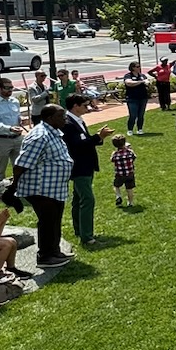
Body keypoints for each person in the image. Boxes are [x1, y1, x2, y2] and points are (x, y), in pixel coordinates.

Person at [10, 104, 74, 268]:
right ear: (50, 118)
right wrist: (13, 187)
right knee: (47, 221)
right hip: (41, 188)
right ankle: (45, 256)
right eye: (61, 116)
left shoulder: (53, 132)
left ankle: (54, 251)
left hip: (54, 188)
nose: (65, 118)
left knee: (55, 220)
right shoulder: (40, 136)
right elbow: (21, 165)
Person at [61, 94, 111, 246]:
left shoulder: (77, 120)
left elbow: (85, 140)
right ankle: (87, 237)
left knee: (78, 198)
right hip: (79, 167)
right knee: (87, 199)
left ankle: (79, 230)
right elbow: (77, 145)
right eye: (84, 105)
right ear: (75, 106)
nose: (87, 108)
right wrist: (98, 137)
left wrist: (98, 138)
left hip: (85, 165)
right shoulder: (68, 123)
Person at [120, 61, 151, 135]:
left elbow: (147, 81)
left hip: (142, 98)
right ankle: (130, 130)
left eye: (139, 66)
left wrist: (147, 82)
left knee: (141, 115)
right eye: (137, 67)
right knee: (133, 115)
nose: (139, 68)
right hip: (132, 98)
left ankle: (140, 129)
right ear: (132, 68)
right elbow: (129, 83)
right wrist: (141, 82)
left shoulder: (142, 75)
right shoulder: (128, 75)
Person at [109, 133, 138, 208]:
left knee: (116, 186)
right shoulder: (129, 152)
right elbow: (134, 157)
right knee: (129, 189)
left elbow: (112, 160)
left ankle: (118, 196)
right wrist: (128, 148)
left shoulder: (115, 154)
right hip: (130, 174)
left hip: (119, 174)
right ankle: (130, 203)